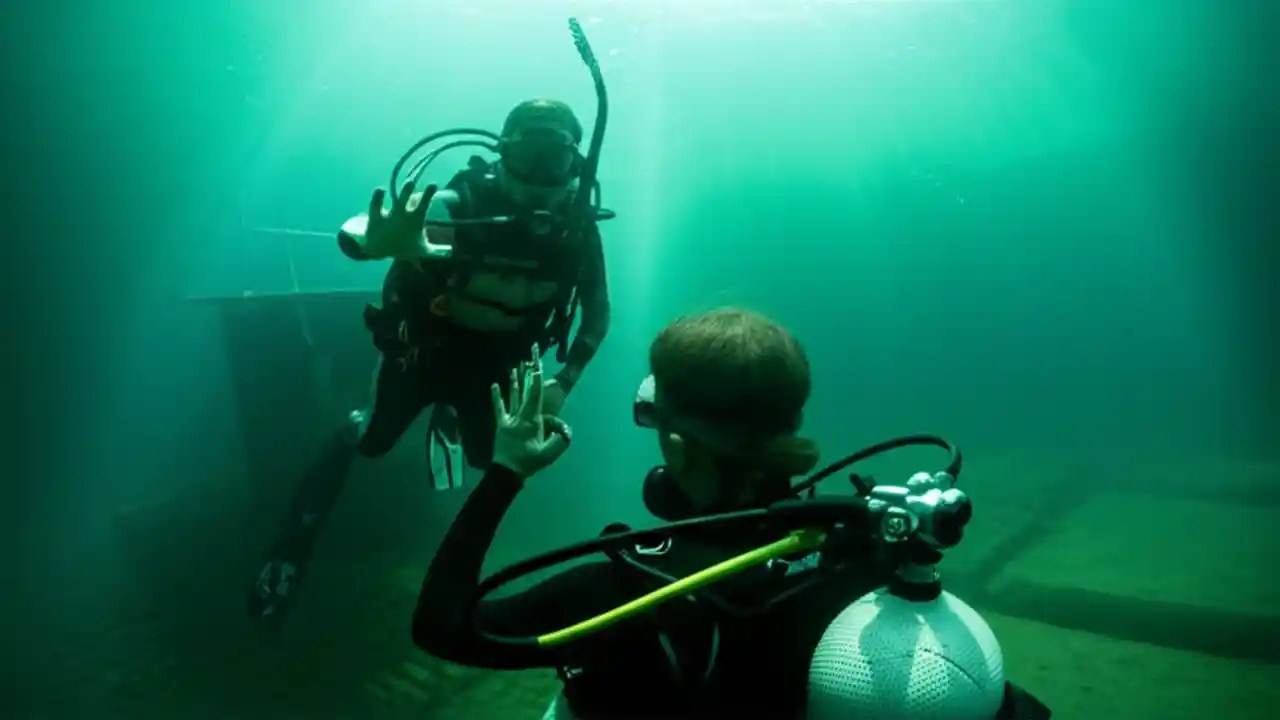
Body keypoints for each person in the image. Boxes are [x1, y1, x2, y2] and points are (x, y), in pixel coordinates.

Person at [411, 308, 1051, 719]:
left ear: (680, 449)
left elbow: (441, 626)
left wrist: (505, 471)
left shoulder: (618, 590)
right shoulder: (861, 551)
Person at [247, 98, 611, 627]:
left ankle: (451, 421)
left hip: (497, 369)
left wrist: (565, 380)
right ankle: (289, 546)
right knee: (372, 443)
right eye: (528, 154)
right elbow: (363, 231)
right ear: (502, 154)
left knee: (492, 461)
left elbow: (598, 313)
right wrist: (374, 241)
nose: (539, 175)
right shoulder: (457, 204)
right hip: (422, 354)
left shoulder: (577, 231)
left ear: (575, 166)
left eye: (554, 159)